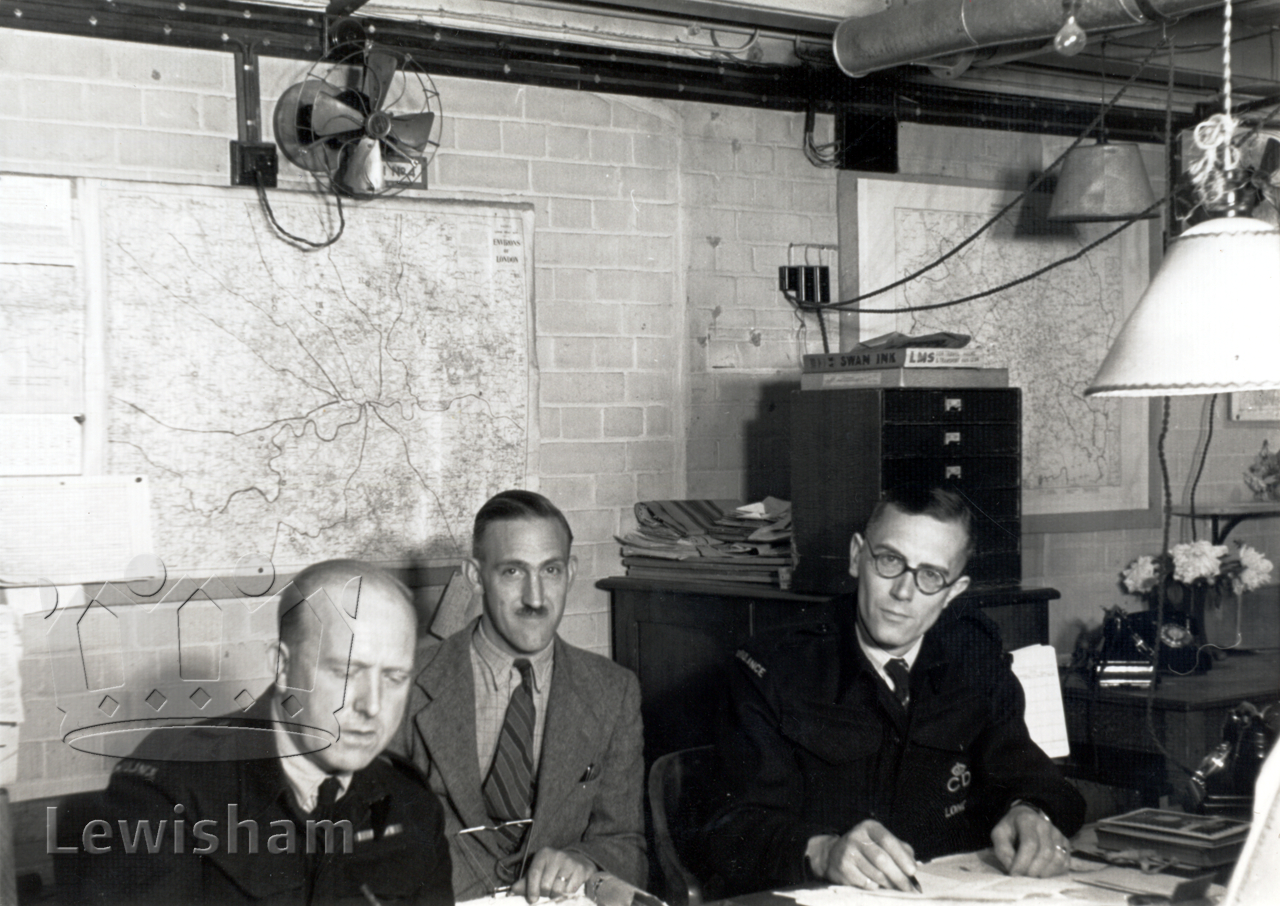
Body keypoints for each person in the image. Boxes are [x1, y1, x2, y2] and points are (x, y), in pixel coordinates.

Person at [702, 485, 1085, 895]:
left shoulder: (974, 658)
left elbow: (1038, 778)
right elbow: (728, 829)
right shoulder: (776, 666)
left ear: (953, 592)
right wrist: (823, 851)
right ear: (857, 557)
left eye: (931, 575)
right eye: (889, 560)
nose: (903, 592)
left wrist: (1031, 812)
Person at [56, 559, 453, 905]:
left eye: (395, 677)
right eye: (347, 673)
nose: (373, 705)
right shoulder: (170, 792)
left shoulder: (410, 801)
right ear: (282, 666)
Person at [395, 490, 646, 902]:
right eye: (513, 572)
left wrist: (583, 860)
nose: (535, 598)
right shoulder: (405, 684)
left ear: (571, 572)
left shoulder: (613, 691)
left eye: (551, 570)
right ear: (475, 576)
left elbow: (625, 844)